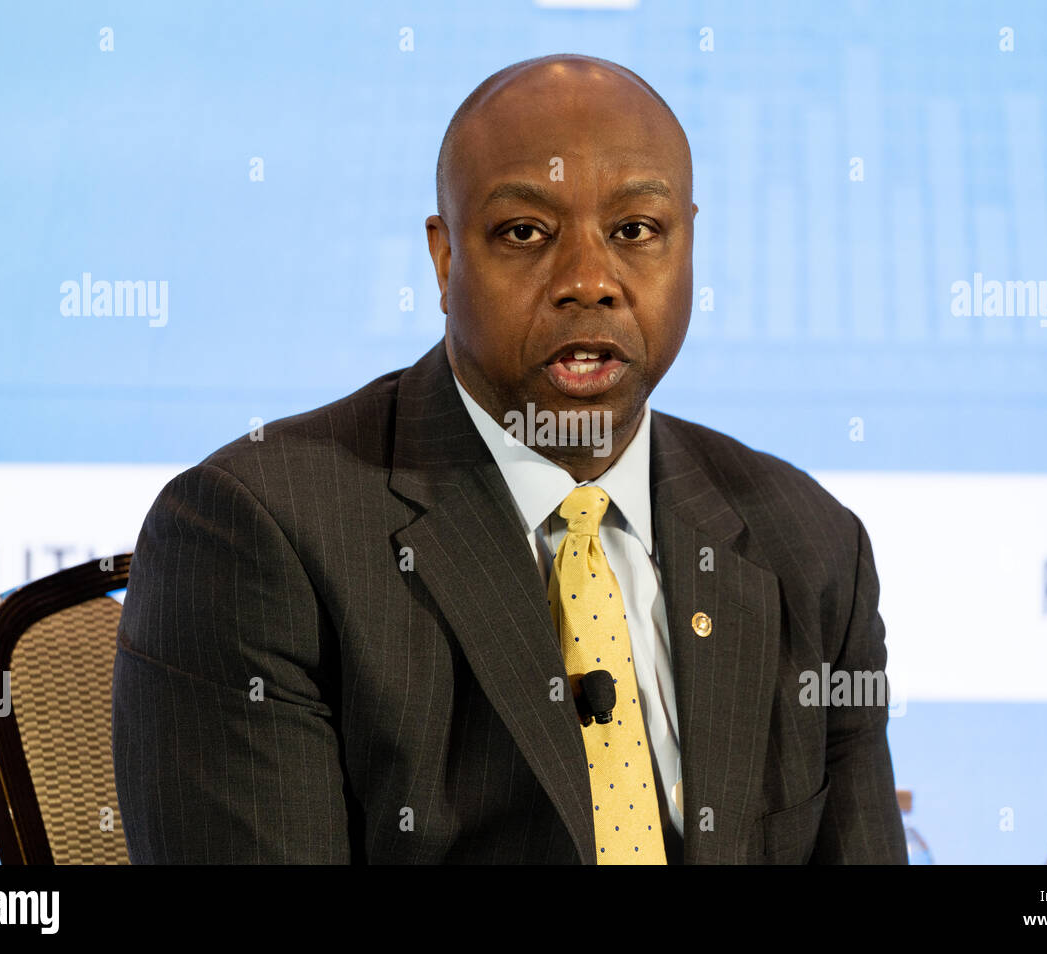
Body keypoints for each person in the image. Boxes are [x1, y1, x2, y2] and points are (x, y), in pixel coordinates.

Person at [111, 53, 907, 864]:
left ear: (688, 244)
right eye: (526, 233)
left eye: (635, 232)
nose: (590, 281)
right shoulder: (256, 534)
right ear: (446, 259)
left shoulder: (806, 544)